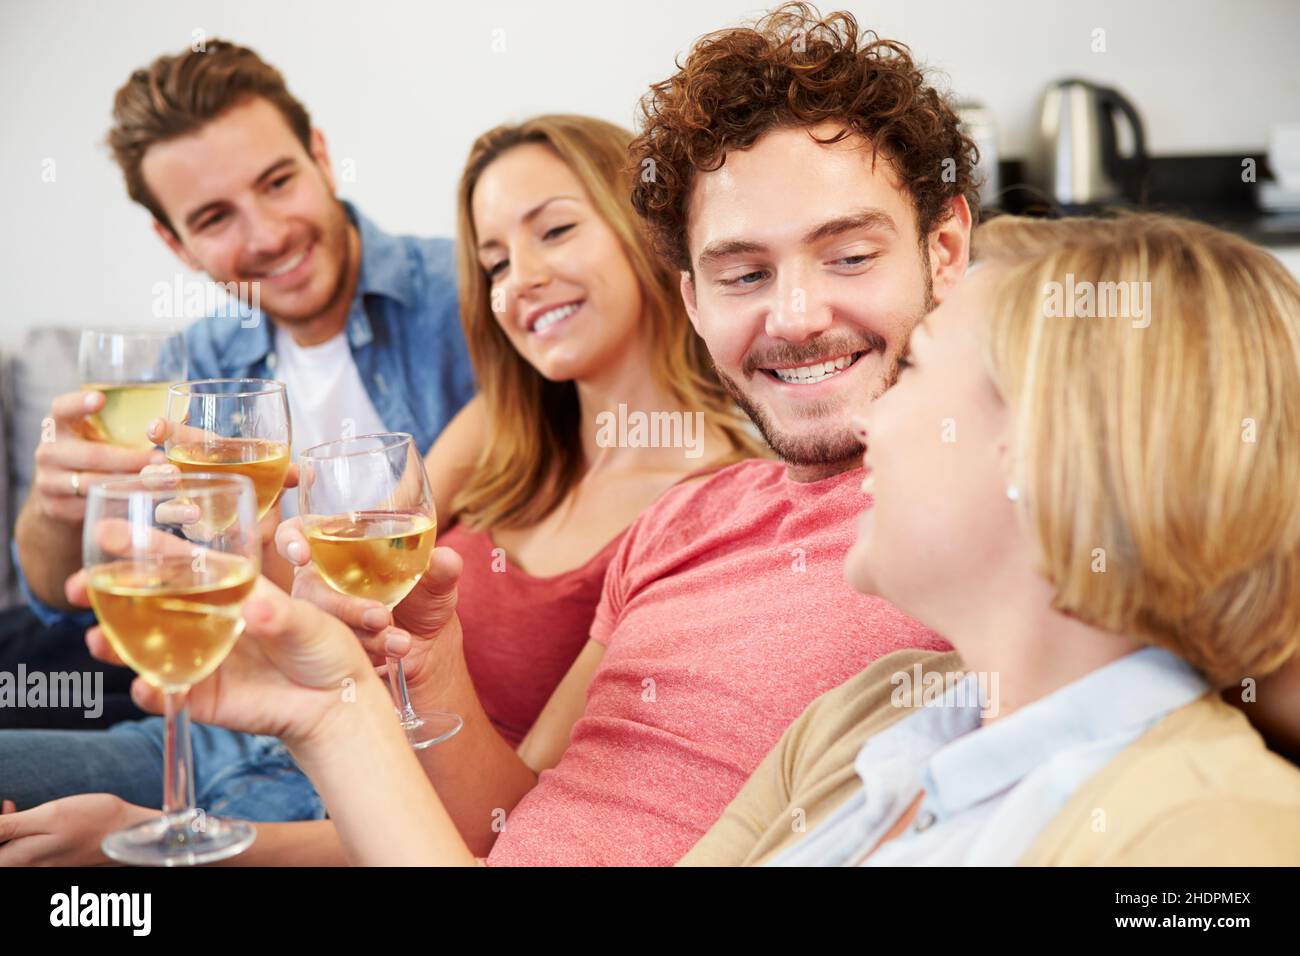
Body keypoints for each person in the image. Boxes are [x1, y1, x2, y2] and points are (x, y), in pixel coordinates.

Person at [7, 5, 968, 866]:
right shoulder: (657, 505)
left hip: (323, 784)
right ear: (696, 292)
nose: (795, 315)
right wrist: (399, 663)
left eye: (848, 253)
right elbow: (524, 813)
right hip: (274, 729)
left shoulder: (987, 513)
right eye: (744, 273)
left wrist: (329, 710)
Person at [0, 113, 763, 860]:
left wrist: (150, 840)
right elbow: (336, 594)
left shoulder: (709, 507)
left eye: (556, 230)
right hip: (264, 733)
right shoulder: (505, 418)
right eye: (494, 262)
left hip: (363, 805)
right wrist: (248, 526)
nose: (521, 279)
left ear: (651, 232)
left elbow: (514, 826)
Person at [680, 213, 1300, 866]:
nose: (866, 419)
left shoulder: (1214, 835)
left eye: (913, 367)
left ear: (1040, 442)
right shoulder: (862, 714)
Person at [0, 38, 471, 782]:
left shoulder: (473, 299)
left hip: (412, 732)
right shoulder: (192, 368)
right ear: (175, 243)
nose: (268, 235)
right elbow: (60, 604)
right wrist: (57, 502)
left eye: (279, 182)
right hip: (231, 735)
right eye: (215, 218)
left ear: (320, 154)